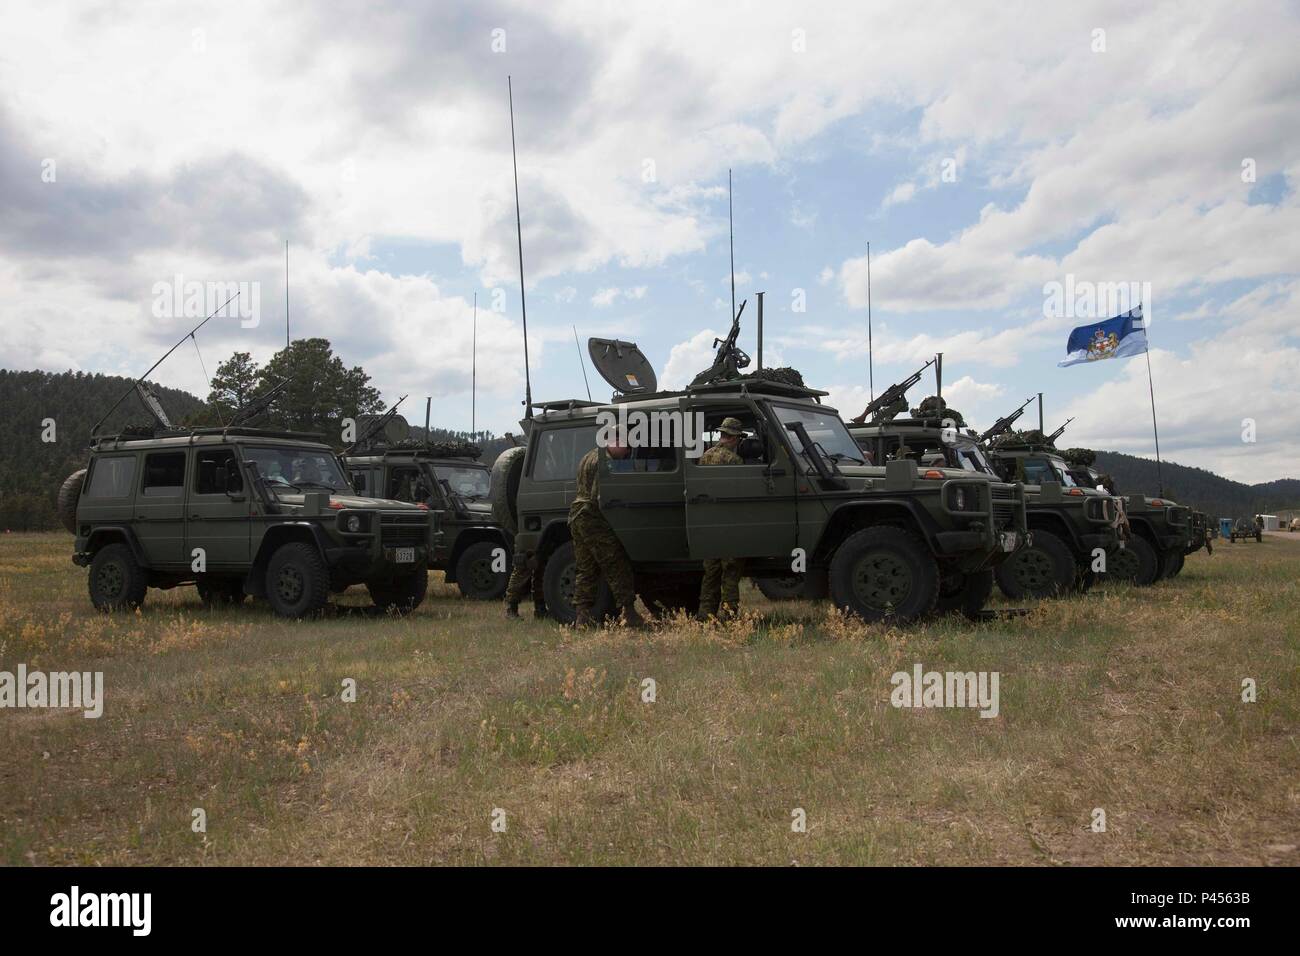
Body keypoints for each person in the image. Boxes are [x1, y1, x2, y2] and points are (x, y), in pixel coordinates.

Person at [570, 437, 643, 628]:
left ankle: (582, 617)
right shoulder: (606, 462)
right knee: (616, 563)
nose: (627, 452)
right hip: (592, 516)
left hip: (577, 514)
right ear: (616, 441)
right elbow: (601, 497)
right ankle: (629, 613)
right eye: (626, 447)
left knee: (586, 567)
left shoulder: (588, 455)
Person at [696, 417, 747, 621]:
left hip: (709, 522)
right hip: (728, 522)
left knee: (711, 572)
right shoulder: (734, 461)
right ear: (734, 438)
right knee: (731, 571)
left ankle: (705, 613)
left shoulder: (705, 456)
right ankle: (729, 613)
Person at [504, 532, 546, 620]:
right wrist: (516, 530)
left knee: (540, 569)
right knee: (522, 567)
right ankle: (511, 609)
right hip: (525, 533)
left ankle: (540, 609)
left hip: (535, 532)